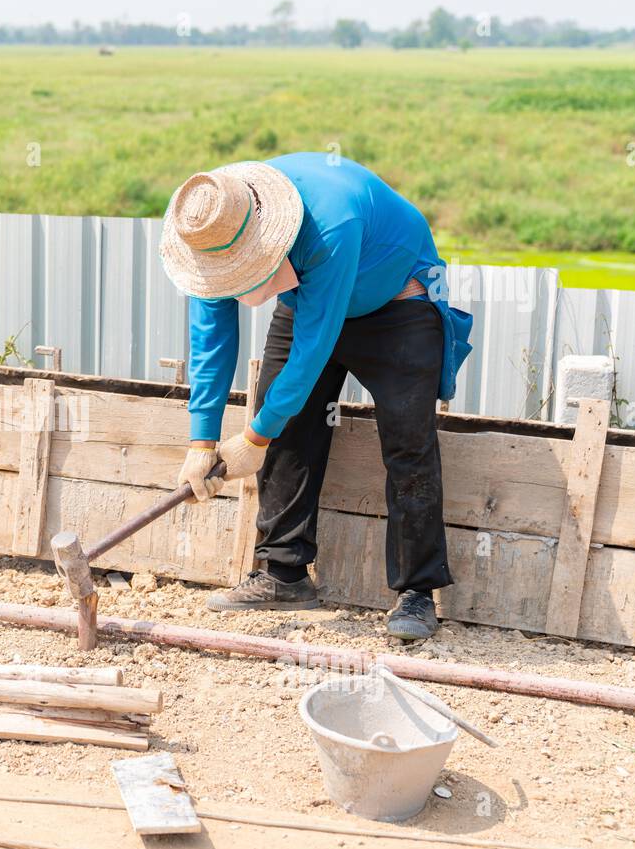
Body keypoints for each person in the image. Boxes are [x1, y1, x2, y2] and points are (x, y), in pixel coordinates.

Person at [159, 152, 472, 641]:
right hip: (310, 289)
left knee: (408, 441)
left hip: (394, 297)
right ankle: (283, 574)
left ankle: (417, 591)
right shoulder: (210, 223)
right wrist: (202, 441)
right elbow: (212, 338)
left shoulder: (333, 222)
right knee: (287, 421)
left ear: (267, 243)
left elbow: (314, 345)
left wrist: (255, 435)